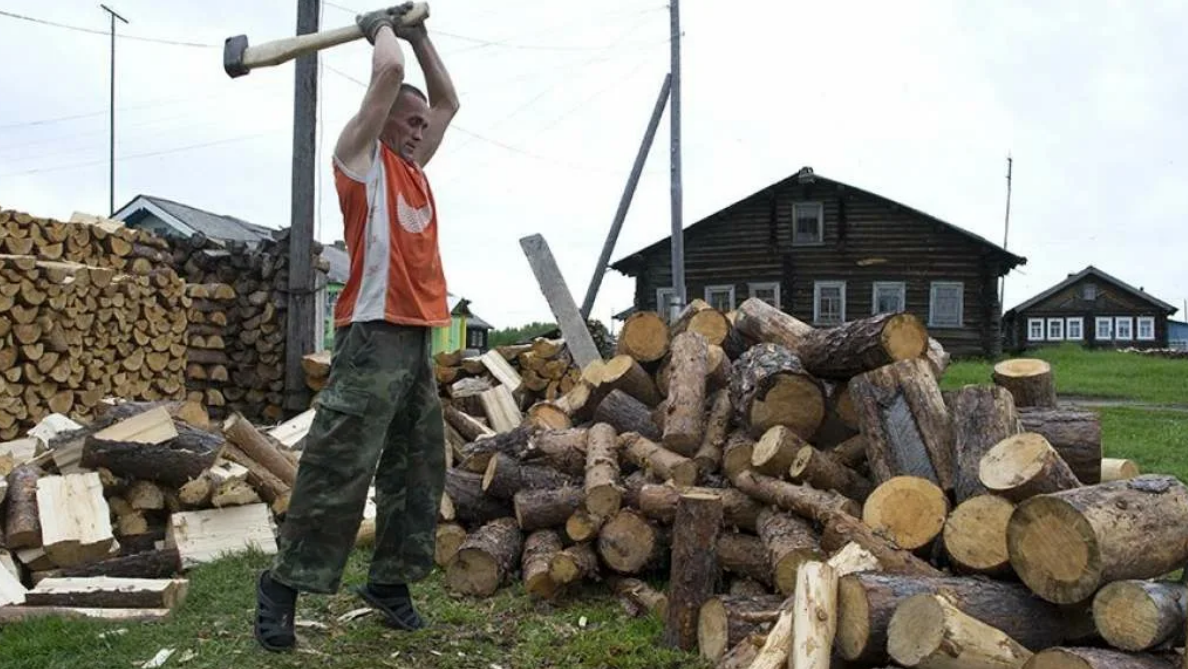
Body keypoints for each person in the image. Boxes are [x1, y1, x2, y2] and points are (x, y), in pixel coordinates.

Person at [253, 2, 459, 652]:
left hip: (418, 338)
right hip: (371, 334)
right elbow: (390, 70)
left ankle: (391, 582)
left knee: (419, 465)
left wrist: (422, 34)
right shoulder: (359, 162)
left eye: (422, 123)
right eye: (410, 117)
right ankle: (284, 585)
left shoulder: (416, 168)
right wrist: (383, 30)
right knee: (341, 465)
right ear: (385, 115)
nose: (422, 126)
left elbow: (449, 99)